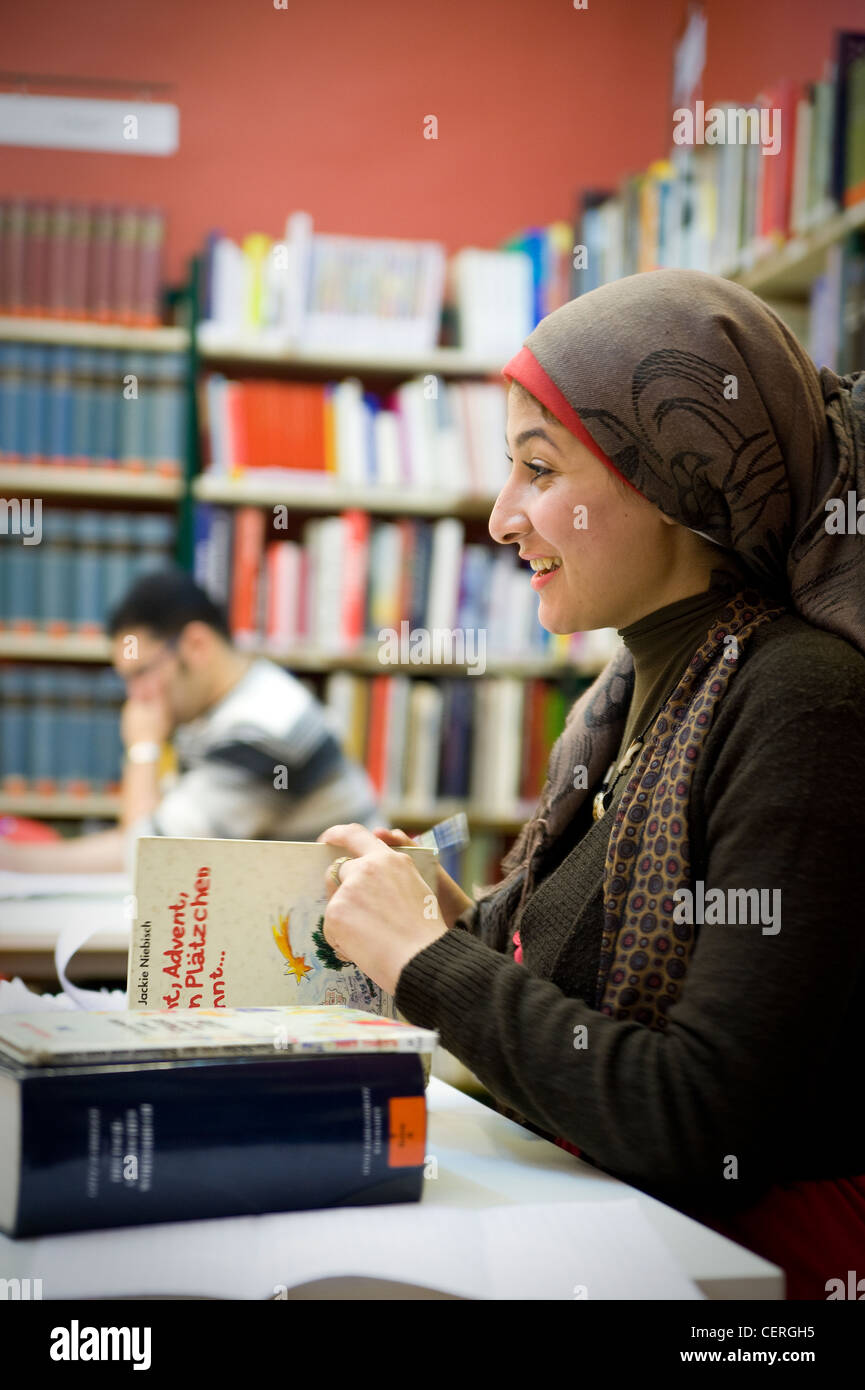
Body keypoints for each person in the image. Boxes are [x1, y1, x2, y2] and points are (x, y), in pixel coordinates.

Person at [316, 267, 865, 1300]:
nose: (498, 517)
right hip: (614, 1223)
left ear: (669, 475)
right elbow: (554, 983)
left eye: (538, 469)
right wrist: (451, 918)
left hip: (754, 1267)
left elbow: (697, 1117)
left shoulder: (802, 701)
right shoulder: (621, 694)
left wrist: (427, 958)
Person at [0, 570, 382, 873]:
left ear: (196, 645)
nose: (137, 696)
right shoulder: (224, 708)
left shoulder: (263, 730)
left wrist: (143, 749)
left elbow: (151, 858)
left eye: (142, 673)